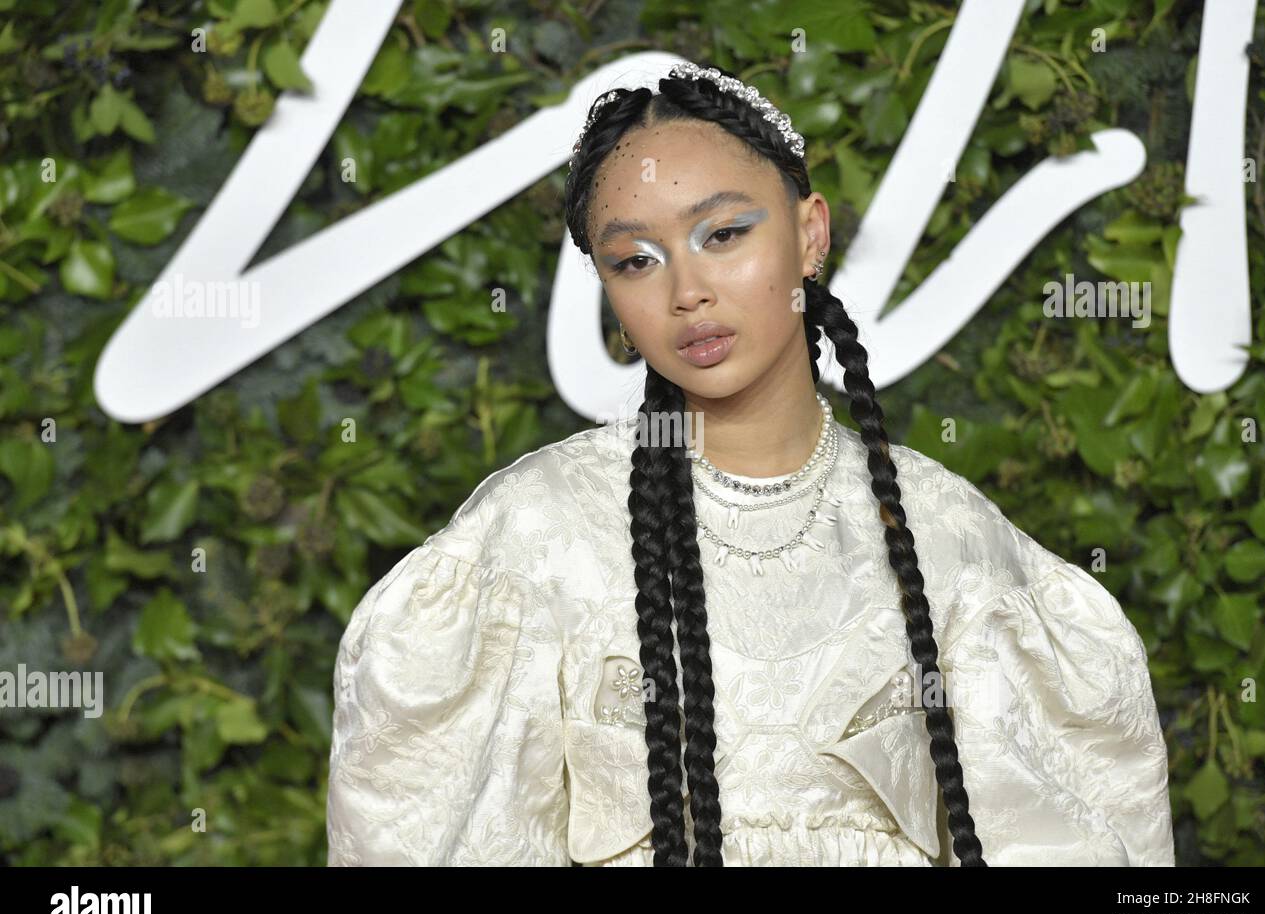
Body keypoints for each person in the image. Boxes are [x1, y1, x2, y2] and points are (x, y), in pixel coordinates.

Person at [326, 61, 1177, 867]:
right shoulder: (534, 538)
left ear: (810, 234)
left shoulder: (948, 539)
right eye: (636, 261)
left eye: (724, 233)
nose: (686, 290)